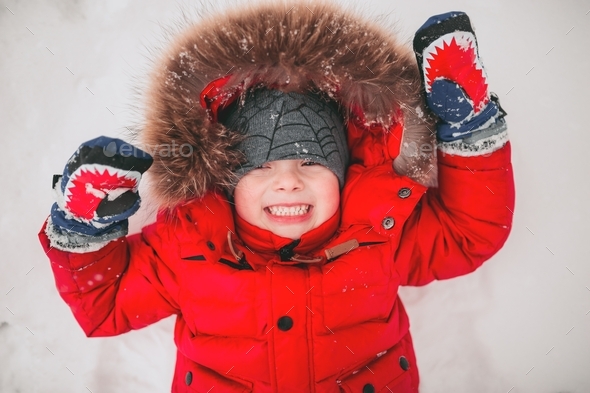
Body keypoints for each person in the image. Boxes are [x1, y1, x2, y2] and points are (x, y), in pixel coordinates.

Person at [38, 4, 514, 392]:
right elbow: (107, 301)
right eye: (260, 167)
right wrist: (83, 229)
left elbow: (469, 231)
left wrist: (469, 132)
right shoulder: (189, 248)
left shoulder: (380, 235)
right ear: (226, 180)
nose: (288, 181)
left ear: (345, 173)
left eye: (312, 163)